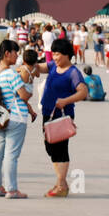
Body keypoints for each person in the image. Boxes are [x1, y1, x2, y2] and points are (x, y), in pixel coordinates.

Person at [39, 38, 87, 197]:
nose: (54, 57)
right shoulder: (53, 66)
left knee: (60, 150)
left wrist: (65, 101)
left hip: (61, 116)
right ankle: (62, 182)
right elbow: (39, 67)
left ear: (66, 54)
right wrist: (27, 66)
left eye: (57, 54)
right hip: (47, 113)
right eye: (53, 53)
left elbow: (83, 92)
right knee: (50, 147)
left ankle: (61, 185)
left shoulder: (73, 72)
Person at [0, 39, 32, 199]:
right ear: (7, 54)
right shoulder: (11, 74)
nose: (17, 56)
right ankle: (12, 189)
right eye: (15, 53)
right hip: (16, 117)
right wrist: (29, 86)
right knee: (11, 155)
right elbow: (24, 95)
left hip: (1, 117)